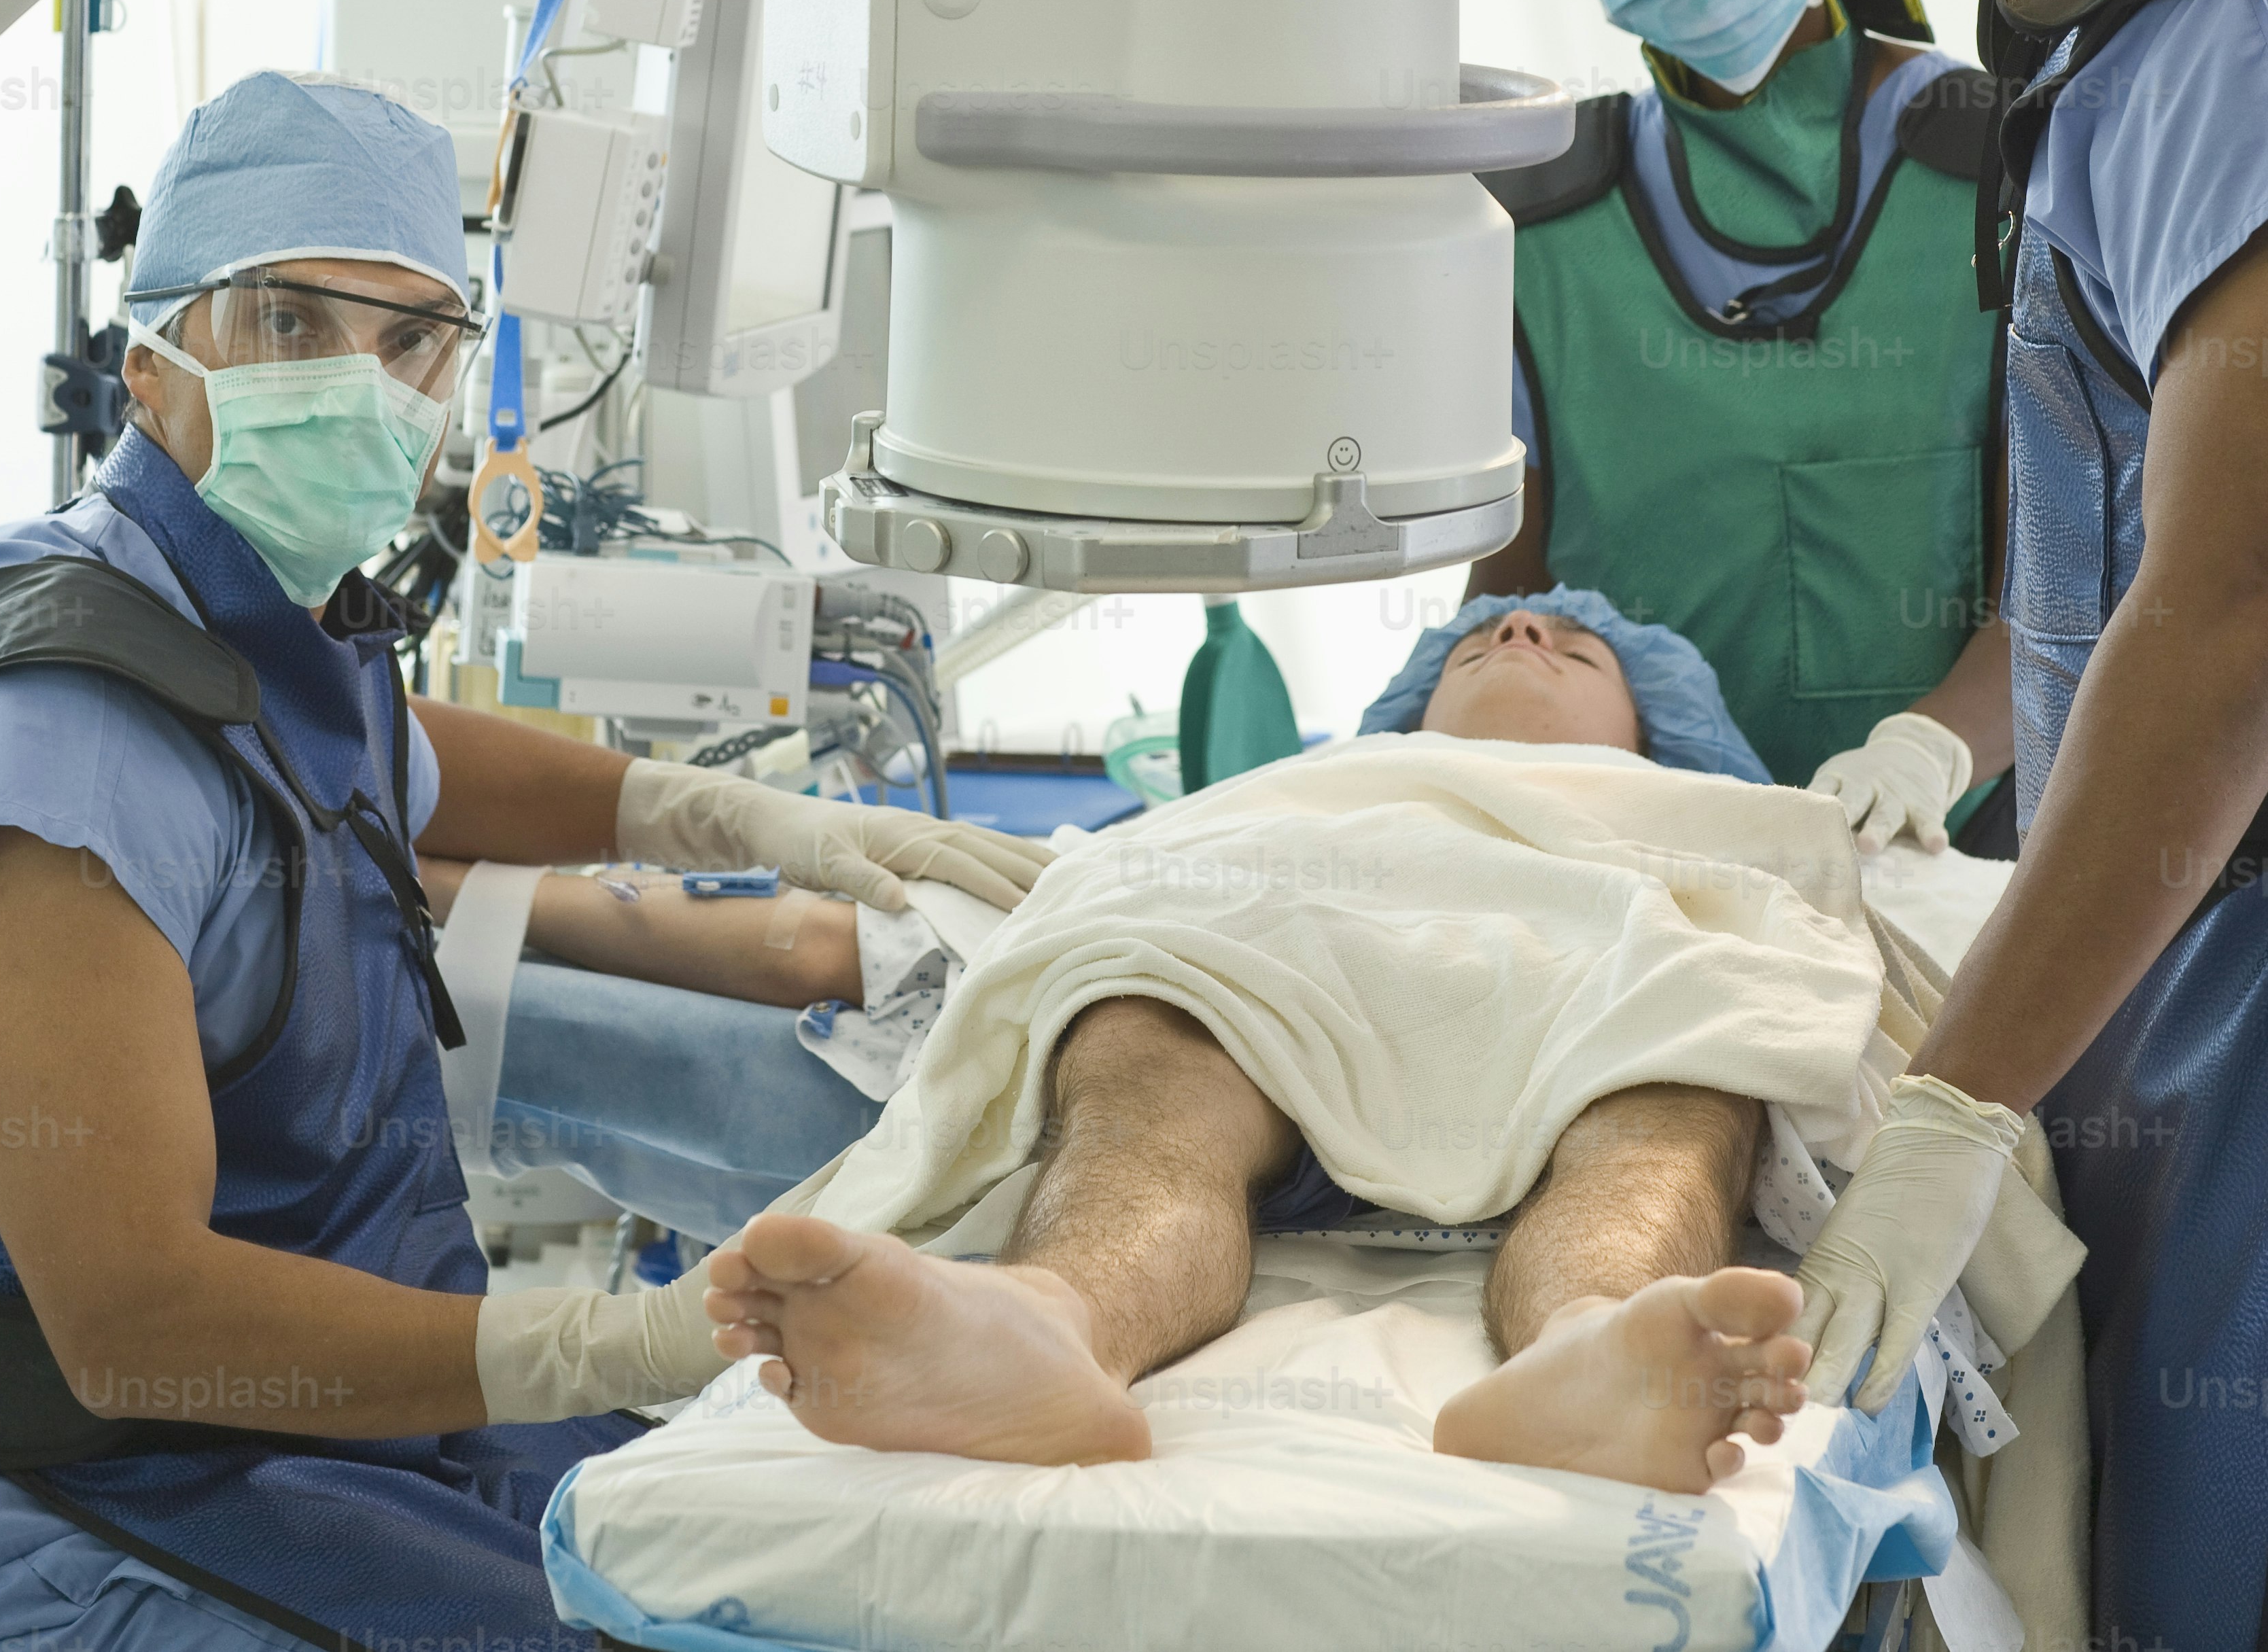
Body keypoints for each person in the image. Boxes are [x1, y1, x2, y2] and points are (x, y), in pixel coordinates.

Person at [0, 69, 1046, 1652]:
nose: (360, 384)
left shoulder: (251, 607)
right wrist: (616, 1344)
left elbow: (398, 760)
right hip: (144, 1491)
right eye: (287, 323)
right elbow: (132, 1328)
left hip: (363, 1417)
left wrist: (722, 816)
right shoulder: (68, 746)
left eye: (412, 343)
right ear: (150, 364)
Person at [698, 591, 2076, 1493]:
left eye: (1571, 645)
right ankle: (1048, 1326)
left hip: (1608, 971)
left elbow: (1944, 933)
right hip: (1289, 959)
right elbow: (1086, 897)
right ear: (1408, 707)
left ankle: (1590, 1351)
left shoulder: (1725, 820)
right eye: (1479, 639)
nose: (1520, 637)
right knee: (1145, 1055)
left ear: (1664, 724)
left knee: (1682, 1080)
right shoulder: (1293, 796)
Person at [1769, 0, 2268, 1649]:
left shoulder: (2215, 25)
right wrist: (1949, 745)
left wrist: (1957, 1103)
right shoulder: (2100, 31)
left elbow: (2237, 609)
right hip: (2153, 972)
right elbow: (2110, 537)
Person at [1471, 0, 2012, 845]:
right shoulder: (1543, 217)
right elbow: (1507, 595)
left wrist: (1934, 751)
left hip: (1953, 851)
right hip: (1637, 860)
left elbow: (2081, 574)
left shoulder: (1994, 171)